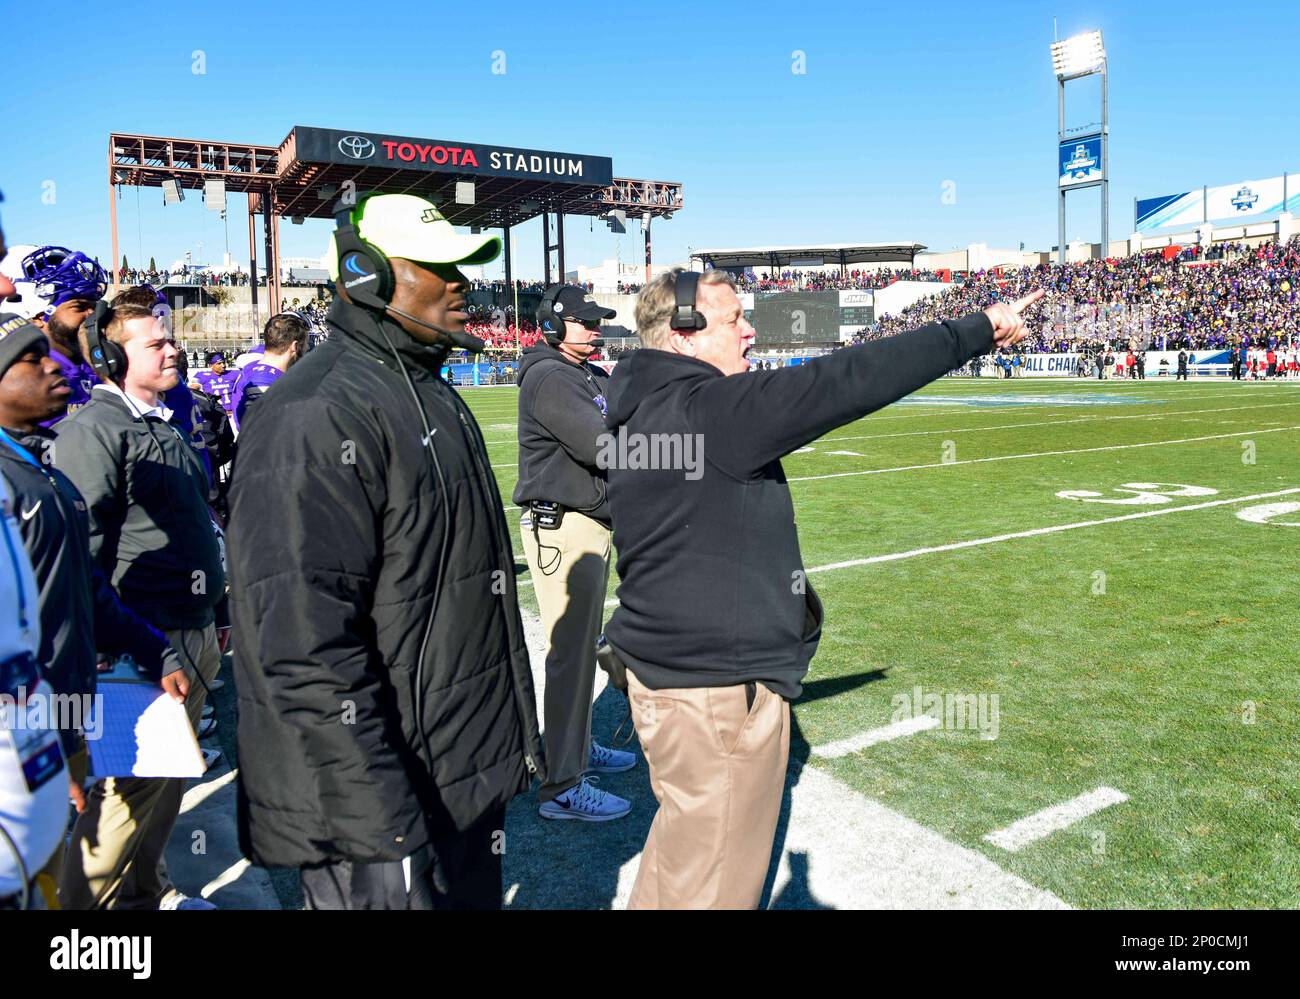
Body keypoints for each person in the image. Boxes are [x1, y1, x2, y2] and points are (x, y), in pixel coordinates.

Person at [602, 268, 1036, 909]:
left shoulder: (639, 414)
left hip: (668, 677)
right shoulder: (711, 411)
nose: (750, 332)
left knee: (681, 866)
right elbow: (844, 381)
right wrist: (978, 328)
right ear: (686, 336)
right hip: (714, 690)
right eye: (733, 321)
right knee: (714, 884)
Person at [229, 192, 544, 910]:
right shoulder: (315, 415)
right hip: (377, 809)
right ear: (366, 274)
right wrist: (382, 833)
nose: (463, 283)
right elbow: (302, 647)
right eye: (440, 266)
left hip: (448, 781)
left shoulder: (422, 387)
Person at [0, 311, 186, 907]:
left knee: (51, 878)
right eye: (31, 359)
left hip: (59, 719)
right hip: (21, 736)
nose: (54, 365)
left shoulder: (41, 472)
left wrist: (150, 645)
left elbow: (84, 589)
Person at [52, 303, 225, 910]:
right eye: (155, 344)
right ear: (110, 358)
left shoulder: (164, 422)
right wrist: (117, 645)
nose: (172, 349)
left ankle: (145, 898)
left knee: (167, 783)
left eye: (170, 339)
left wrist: (217, 613)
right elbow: (85, 549)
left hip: (191, 631)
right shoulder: (94, 430)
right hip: (143, 643)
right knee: (124, 800)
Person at [514, 284, 634, 823]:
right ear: (555, 326)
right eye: (584, 322)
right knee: (570, 654)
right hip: (565, 528)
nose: (595, 328)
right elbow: (604, 445)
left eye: (596, 320)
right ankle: (561, 784)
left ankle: (576, 749)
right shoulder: (551, 377)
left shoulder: (585, 372)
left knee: (582, 647)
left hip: (587, 522)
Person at [0, 245, 105, 427]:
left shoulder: (92, 364)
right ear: (37, 315)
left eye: (94, 307)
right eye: (79, 308)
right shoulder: (22, 382)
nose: (92, 316)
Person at [229, 313, 309, 431]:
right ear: (295, 346)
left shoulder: (257, 371)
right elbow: (266, 433)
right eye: (306, 343)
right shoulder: (264, 380)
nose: (307, 348)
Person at [193, 352, 240, 417]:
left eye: (223, 362)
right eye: (219, 363)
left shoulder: (234, 374)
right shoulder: (203, 376)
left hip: (233, 414)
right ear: (210, 365)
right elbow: (192, 389)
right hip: (215, 415)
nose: (223, 365)